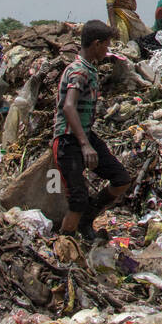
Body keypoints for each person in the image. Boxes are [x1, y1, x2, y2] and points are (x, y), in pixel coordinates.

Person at [52, 20, 132, 243]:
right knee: (77, 199)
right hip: (69, 140)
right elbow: (69, 106)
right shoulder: (79, 72)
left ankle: (87, 220)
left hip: (85, 135)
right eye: (106, 45)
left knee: (121, 178)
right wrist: (85, 144)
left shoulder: (89, 69)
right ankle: (65, 247)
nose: (107, 51)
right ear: (96, 44)